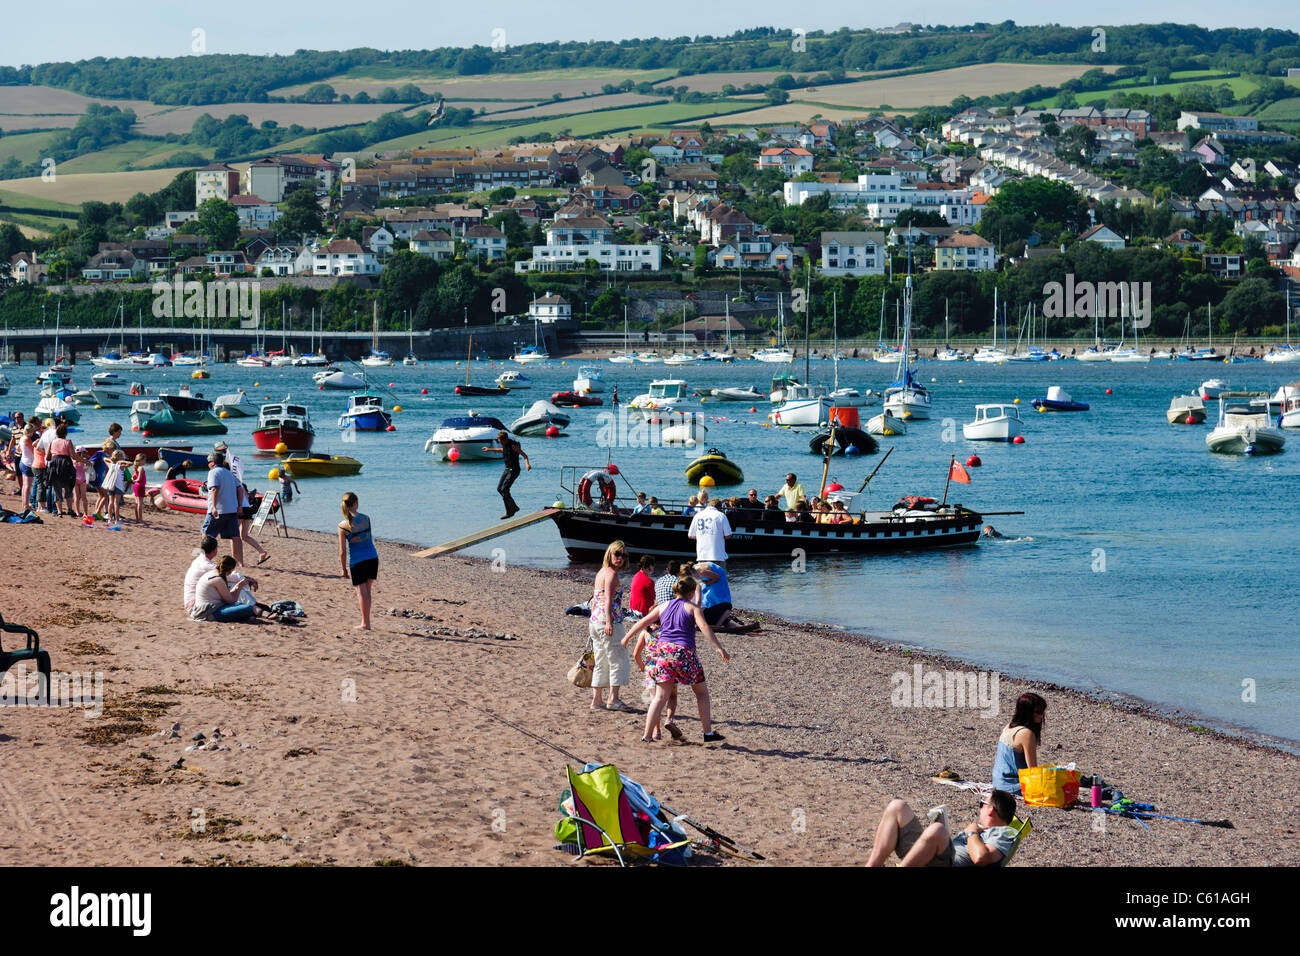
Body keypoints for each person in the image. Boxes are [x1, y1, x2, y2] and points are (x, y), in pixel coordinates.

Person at [621, 575, 731, 744]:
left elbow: (642, 622)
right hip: (684, 653)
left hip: (664, 654)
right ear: (691, 592)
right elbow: (703, 626)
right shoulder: (692, 607)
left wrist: (627, 638)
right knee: (701, 692)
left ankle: (647, 736)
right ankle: (708, 733)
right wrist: (719, 647)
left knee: (659, 697)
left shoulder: (663, 606)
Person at [864, 790, 1019, 867]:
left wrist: (971, 832)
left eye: (981, 804)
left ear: (990, 809)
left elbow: (981, 858)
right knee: (898, 806)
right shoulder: (979, 830)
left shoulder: (1004, 832)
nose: (979, 810)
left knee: (937, 830)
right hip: (934, 858)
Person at [588, 540, 630, 711]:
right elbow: (607, 601)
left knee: (601, 660)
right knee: (617, 659)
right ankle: (613, 699)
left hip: (595, 622)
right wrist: (609, 621)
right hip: (608, 622)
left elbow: (596, 599)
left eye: (623, 555)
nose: (620, 558)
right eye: (617, 554)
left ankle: (597, 700)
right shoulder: (611, 574)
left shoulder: (601, 572)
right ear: (610, 554)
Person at [184, 535, 258, 614]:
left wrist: (246, 580)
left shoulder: (198, 560)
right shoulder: (206, 565)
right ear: (215, 550)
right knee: (232, 584)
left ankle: (253, 605)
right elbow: (232, 576)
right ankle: (254, 607)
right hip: (197, 605)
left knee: (229, 582)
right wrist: (249, 580)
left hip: (194, 602)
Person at [338, 491, 379, 630]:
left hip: (357, 561)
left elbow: (342, 552)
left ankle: (365, 623)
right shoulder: (366, 518)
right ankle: (366, 622)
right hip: (372, 557)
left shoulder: (343, 525)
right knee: (367, 591)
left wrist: (343, 569)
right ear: (356, 503)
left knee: (361, 592)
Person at [993, 693, 1047, 794]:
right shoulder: (1026, 734)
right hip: (1012, 786)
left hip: (998, 782)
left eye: (1043, 711)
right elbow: (1032, 770)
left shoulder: (1009, 727)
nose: (1042, 715)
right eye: (1038, 712)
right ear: (1027, 712)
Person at [202, 452, 244, 566]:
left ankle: (205, 558)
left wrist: (214, 507)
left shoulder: (213, 472)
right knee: (235, 536)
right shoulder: (229, 473)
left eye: (209, 462)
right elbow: (240, 489)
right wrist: (240, 505)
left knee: (207, 533)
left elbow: (214, 489)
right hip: (231, 509)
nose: (208, 465)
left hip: (218, 510)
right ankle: (239, 562)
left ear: (213, 463)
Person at [190, 556, 257, 623]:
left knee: (242, 605)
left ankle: (245, 617)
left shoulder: (212, 574)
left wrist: (238, 586)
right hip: (209, 612)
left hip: (207, 608)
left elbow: (228, 597)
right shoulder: (218, 579)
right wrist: (239, 586)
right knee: (248, 608)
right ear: (230, 570)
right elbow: (231, 601)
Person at [488, 429, 530, 519]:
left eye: (500, 441)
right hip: (507, 470)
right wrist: (489, 449)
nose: (500, 443)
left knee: (504, 489)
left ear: (504, 440)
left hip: (514, 470)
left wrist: (527, 464)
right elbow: (501, 450)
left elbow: (524, 455)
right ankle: (514, 507)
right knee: (499, 489)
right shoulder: (505, 445)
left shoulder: (513, 445)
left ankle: (510, 511)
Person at [688, 493, 732, 564]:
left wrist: (702, 535)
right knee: (719, 575)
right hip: (717, 556)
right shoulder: (721, 515)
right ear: (719, 508)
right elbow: (728, 535)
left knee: (703, 574)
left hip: (702, 556)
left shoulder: (697, 515)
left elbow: (690, 535)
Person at [46, 423, 77, 518]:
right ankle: (70, 509)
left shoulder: (52, 442)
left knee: (57, 489)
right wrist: (83, 461)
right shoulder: (68, 442)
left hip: (55, 465)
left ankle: (59, 512)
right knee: (69, 488)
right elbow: (73, 455)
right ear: (66, 433)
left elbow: (47, 457)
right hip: (66, 465)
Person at [237, 482, 270, 565]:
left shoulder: (236, 486)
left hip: (241, 509)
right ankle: (261, 551)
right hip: (248, 510)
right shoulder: (244, 489)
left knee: (235, 536)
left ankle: (238, 560)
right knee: (244, 536)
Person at [102, 450, 127, 523]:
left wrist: (112, 460)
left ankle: (110, 519)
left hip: (111, 485)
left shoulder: (111, 464)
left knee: (111, 503)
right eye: (122, 456)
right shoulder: (121, 466)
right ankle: (117, 519)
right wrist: (121, 462)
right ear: (119, 457)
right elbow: (130, 464)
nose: (123, 458)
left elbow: (104, 459)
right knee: (116, 503)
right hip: (118, 486)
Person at [17, 424, 36, 514]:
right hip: (28, 463)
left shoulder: (22, 438)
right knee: (27, 486)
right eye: (33, 431)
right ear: (30, 431)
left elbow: (18, 449)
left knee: (25, 486)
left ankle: (24, 504)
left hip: (23, 461)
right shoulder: (27, 439)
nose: (33, 433)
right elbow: (34, 450)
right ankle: (26, 506)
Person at [130, 453, 149, 522]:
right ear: (140, 460)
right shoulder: (141, 468)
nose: (145, 461)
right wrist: (135, 480)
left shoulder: (136, 468)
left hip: (136, 486)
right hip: (140, 486)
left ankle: (137, 519)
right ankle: (140, 519)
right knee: (140, 503)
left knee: (137, 502)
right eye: (144, 460)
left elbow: (133, 477)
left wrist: (133, 480)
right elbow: (139, 479)